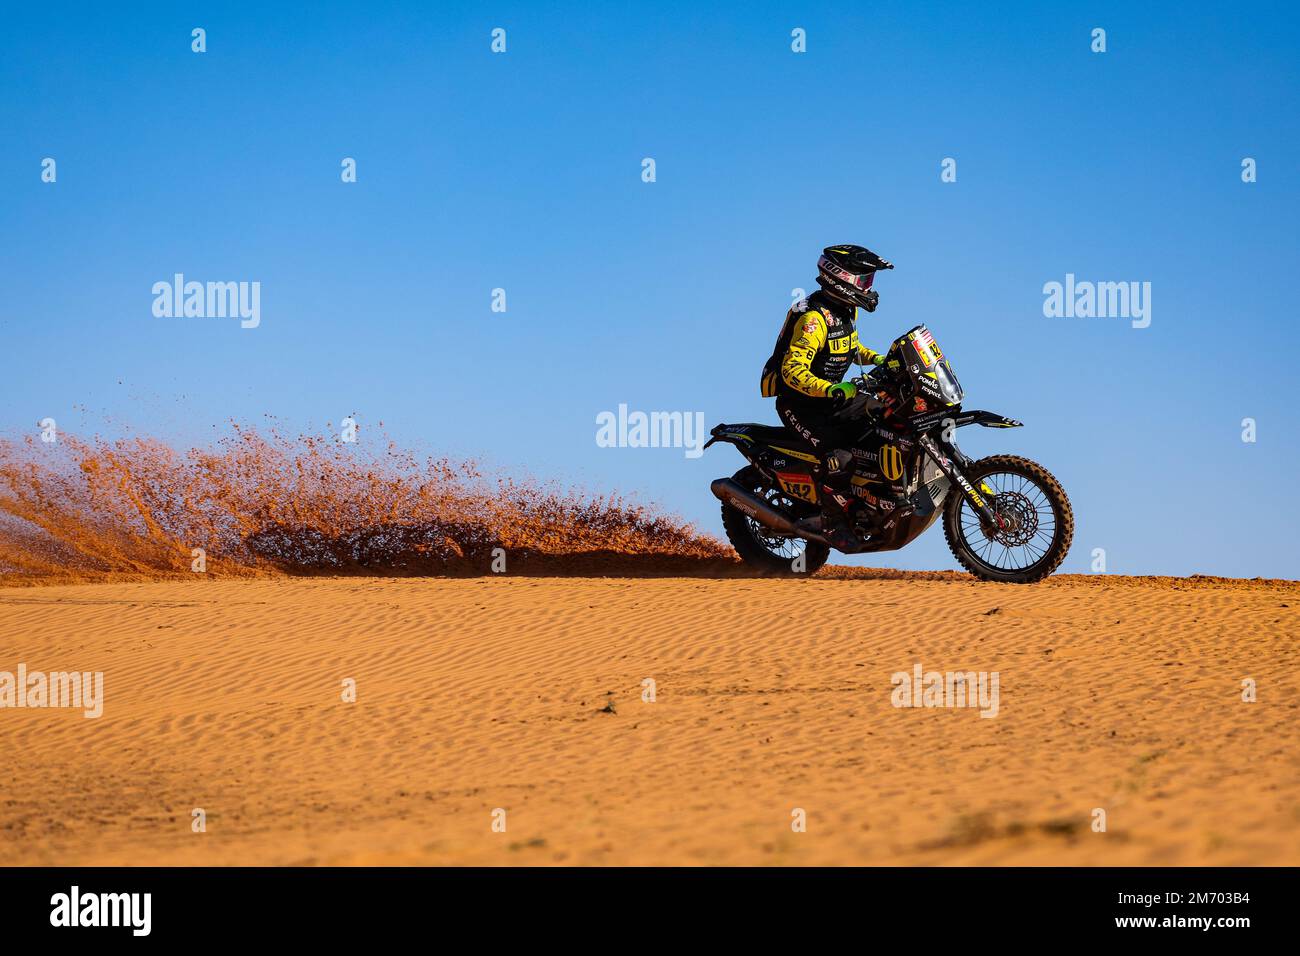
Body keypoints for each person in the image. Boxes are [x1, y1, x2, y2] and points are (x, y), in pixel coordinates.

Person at [759, 244, 894, 549]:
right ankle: (833, 523)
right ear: (841, 278)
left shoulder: (846, 309)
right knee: (839, 457)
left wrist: (877, 359)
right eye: (864, 281)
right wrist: (831, 388)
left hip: (831, 399)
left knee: (886, 414)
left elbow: (849, 346)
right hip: (801, 405)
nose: (868, 288)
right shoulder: (813, 319)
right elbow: (792, 370)